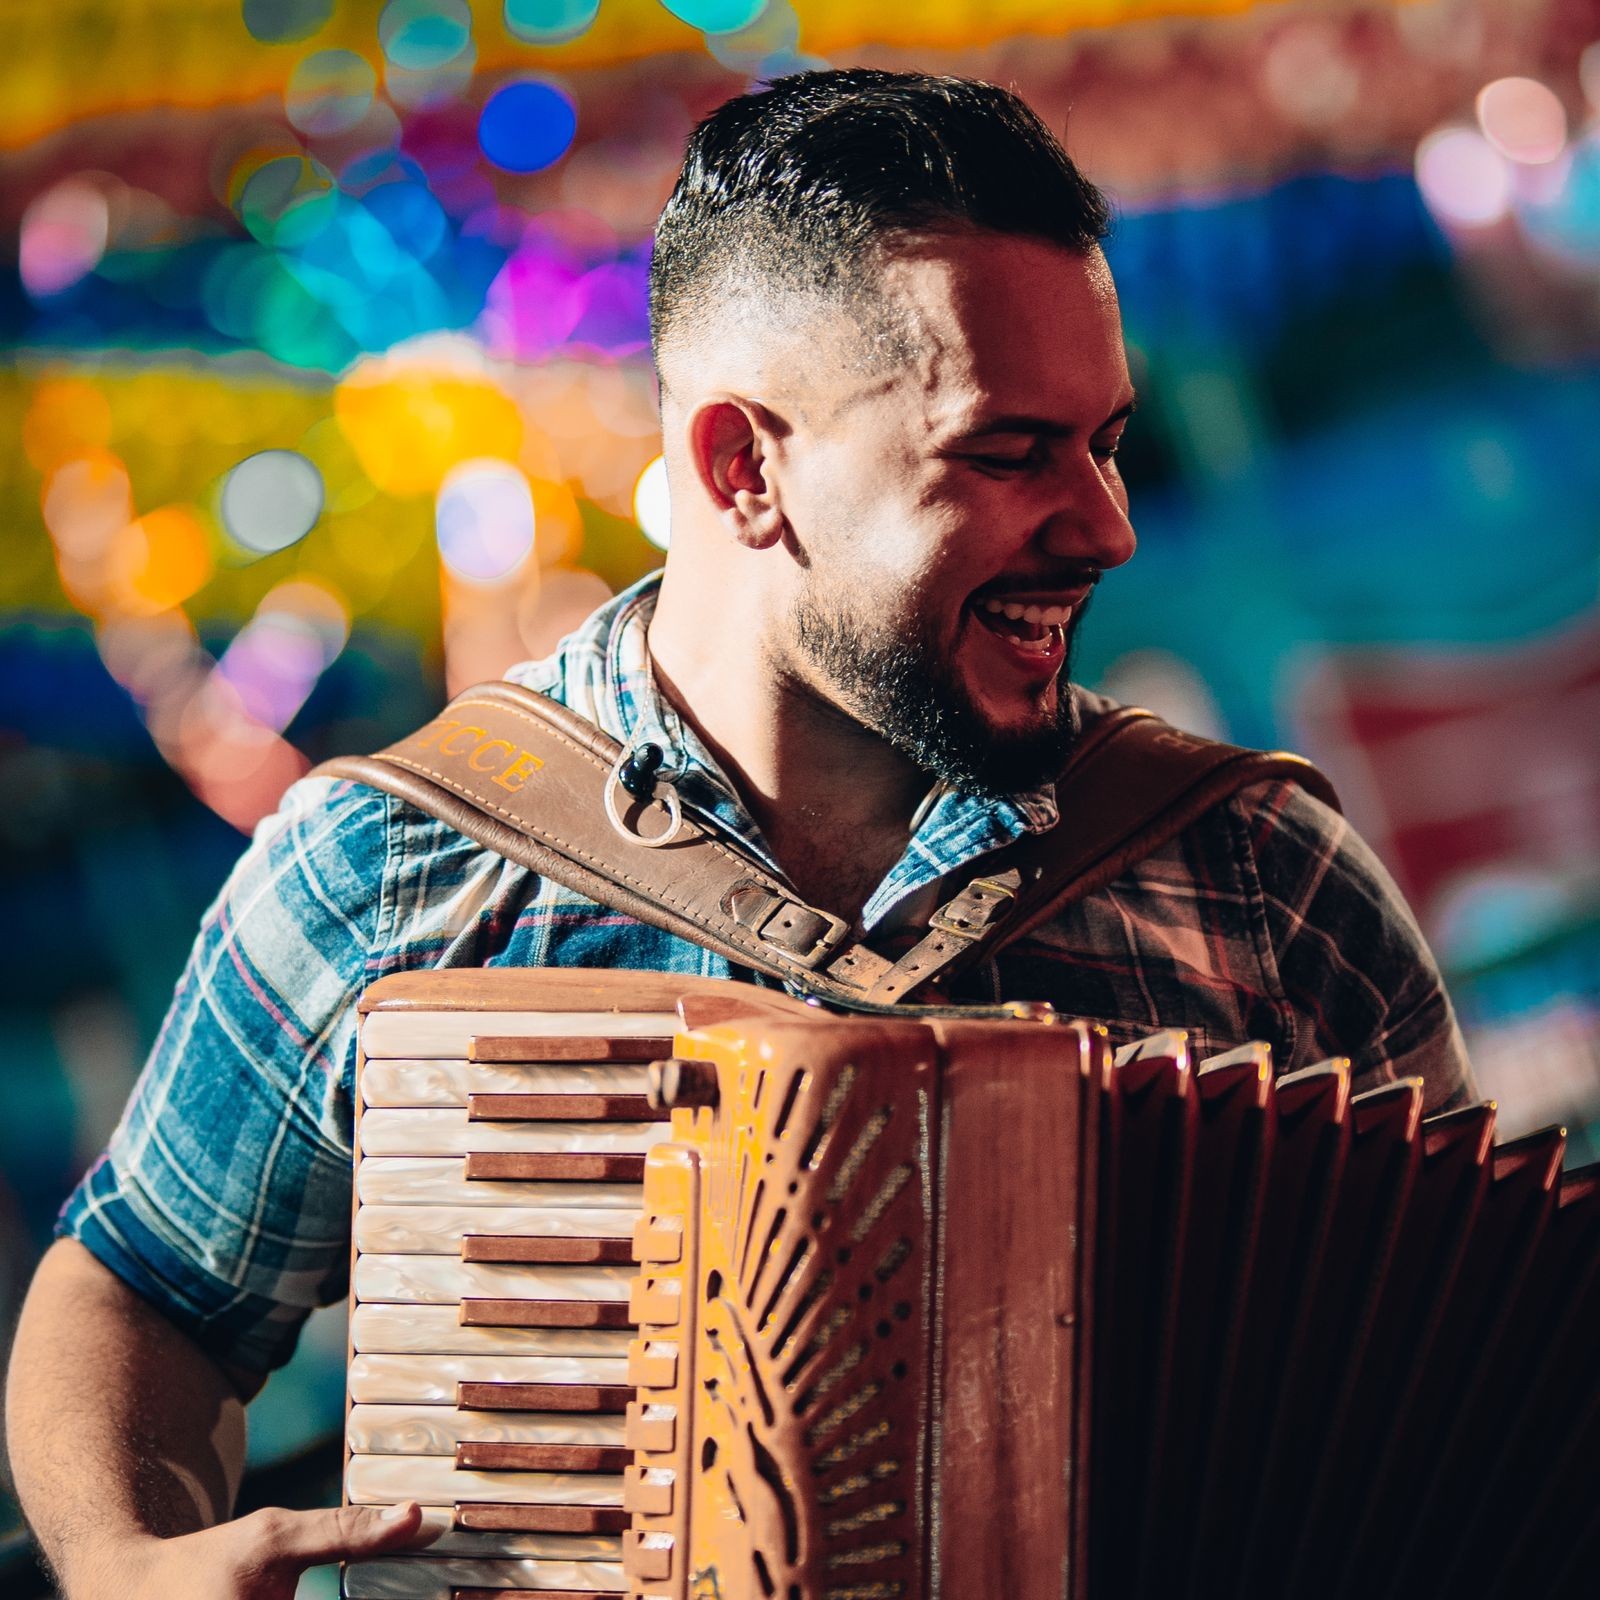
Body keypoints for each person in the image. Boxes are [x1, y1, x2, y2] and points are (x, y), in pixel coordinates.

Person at [5, 68, 1474, 1598]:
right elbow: (141, 1289)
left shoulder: (1259, 870)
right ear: (739, 467)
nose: (1106, 521)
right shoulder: (387, 874)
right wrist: (124, 1560)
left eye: (1106, 439)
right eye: (1009, 451)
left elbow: (1463, 1383)